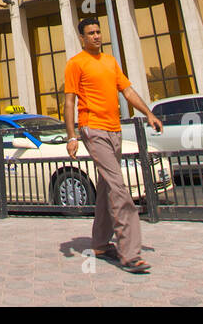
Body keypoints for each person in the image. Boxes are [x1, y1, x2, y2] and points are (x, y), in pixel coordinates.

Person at [64, 16, 163, 274]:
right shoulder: (76, 64)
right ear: (82, 38)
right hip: (92, 129)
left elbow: (127, 91)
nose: (96, 36)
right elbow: (69, 102)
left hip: (114, 129)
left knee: (108, 184)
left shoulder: (110, 61)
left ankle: (98, 244)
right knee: (120, 189)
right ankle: (130, 254)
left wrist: (148, 113)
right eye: (91, 33)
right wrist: (72, 136)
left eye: (98, 31)